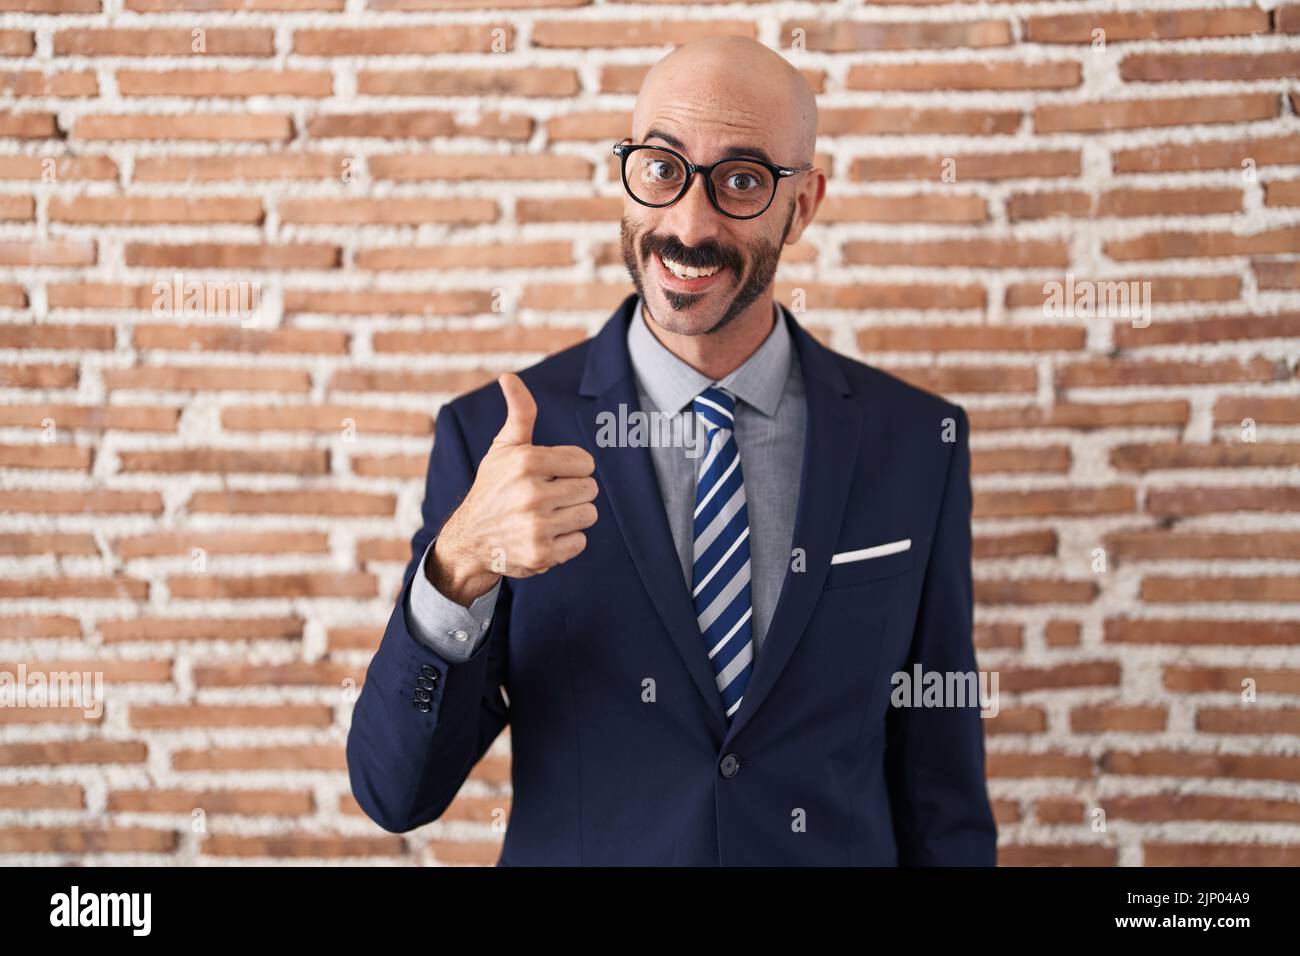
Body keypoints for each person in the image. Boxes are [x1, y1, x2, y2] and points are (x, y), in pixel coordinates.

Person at [346, 35, 997, 865]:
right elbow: (396, 793)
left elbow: (941, 790)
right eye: (662, 168)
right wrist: (458, 564)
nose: (688, 226)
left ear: (802, 206)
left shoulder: (917, 441)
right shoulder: (497, 438)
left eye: (742, 180)